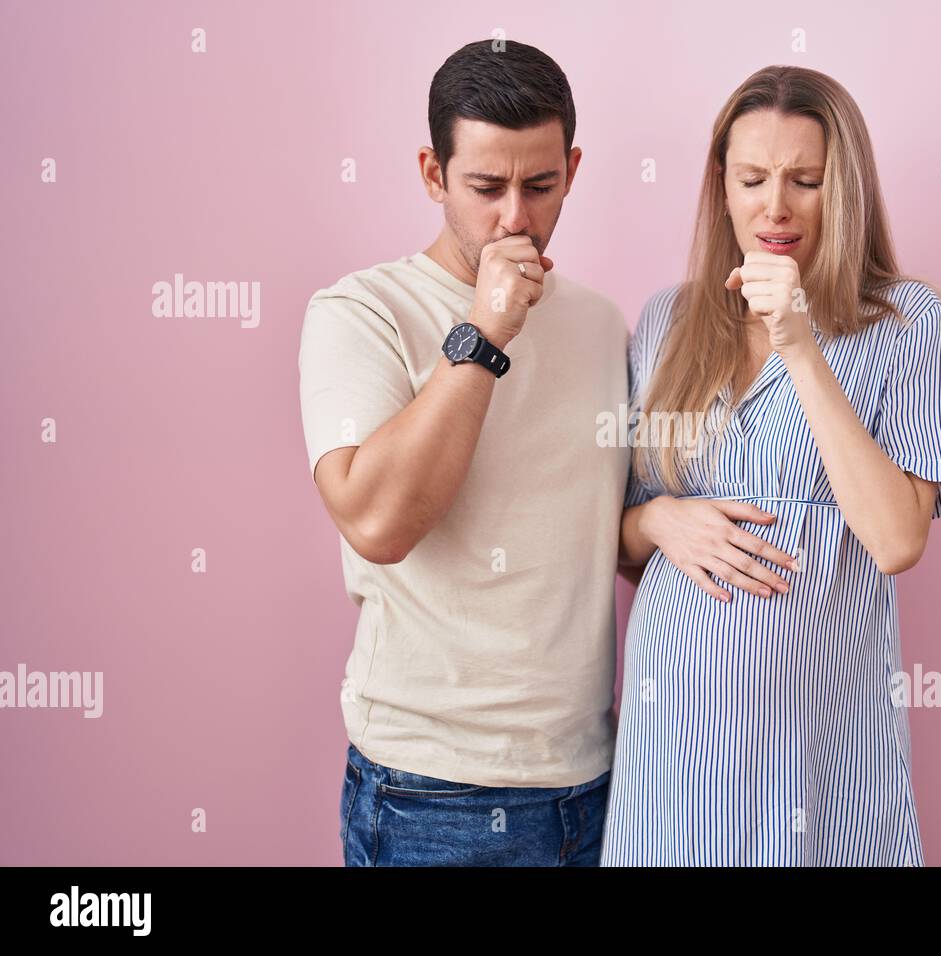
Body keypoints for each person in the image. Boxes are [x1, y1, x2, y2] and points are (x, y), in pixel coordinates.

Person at [600, 65, 941, 866]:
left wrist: (801, 346)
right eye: (753, 178)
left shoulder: (911, 323)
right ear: (722, 186)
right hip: (671, 745)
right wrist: (658, 518)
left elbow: (895, 540)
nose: (776, 206)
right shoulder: (665, 320)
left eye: (806, 180)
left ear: (843, 189)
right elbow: (618, 539)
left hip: (816, 741)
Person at [297, 39, 628, 866]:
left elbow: (601, 530)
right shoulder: (361, 312)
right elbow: (378, 522)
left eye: (540, 185)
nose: (515, 216)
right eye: (485, 187)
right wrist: (482, 334)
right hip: (429, 792)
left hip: (596, 780)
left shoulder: (599, 325)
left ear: (573, 170)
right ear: (432, 173)